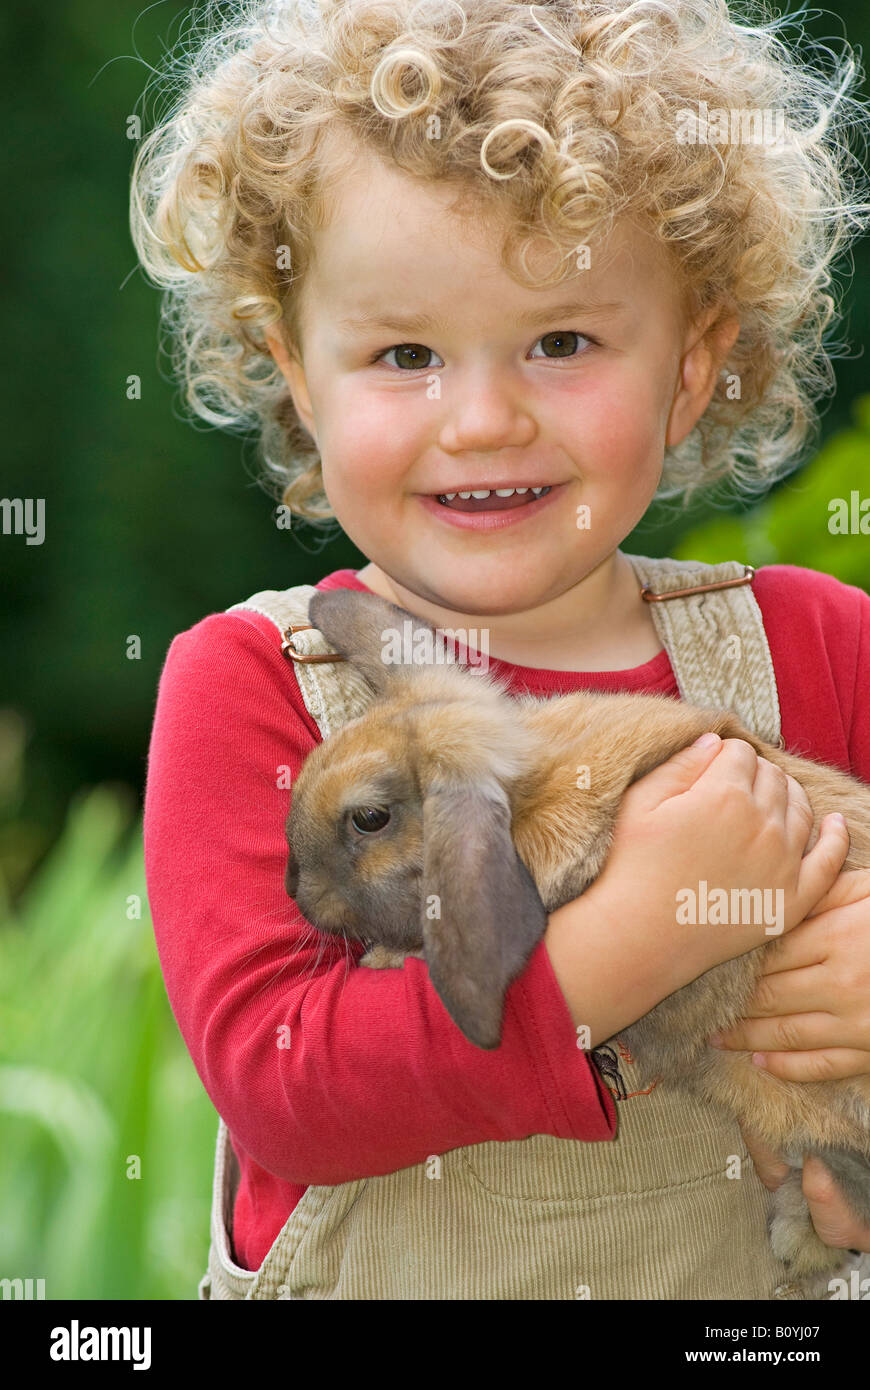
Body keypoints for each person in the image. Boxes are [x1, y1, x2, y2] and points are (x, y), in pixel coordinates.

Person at [135, 0, 870, 1297]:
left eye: (561, 342)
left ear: (692, 363)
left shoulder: (815, 643)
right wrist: (616, 946)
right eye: (404, 352)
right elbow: (284, 1083)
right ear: (297, 372)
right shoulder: (251, 684)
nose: (480, 418)